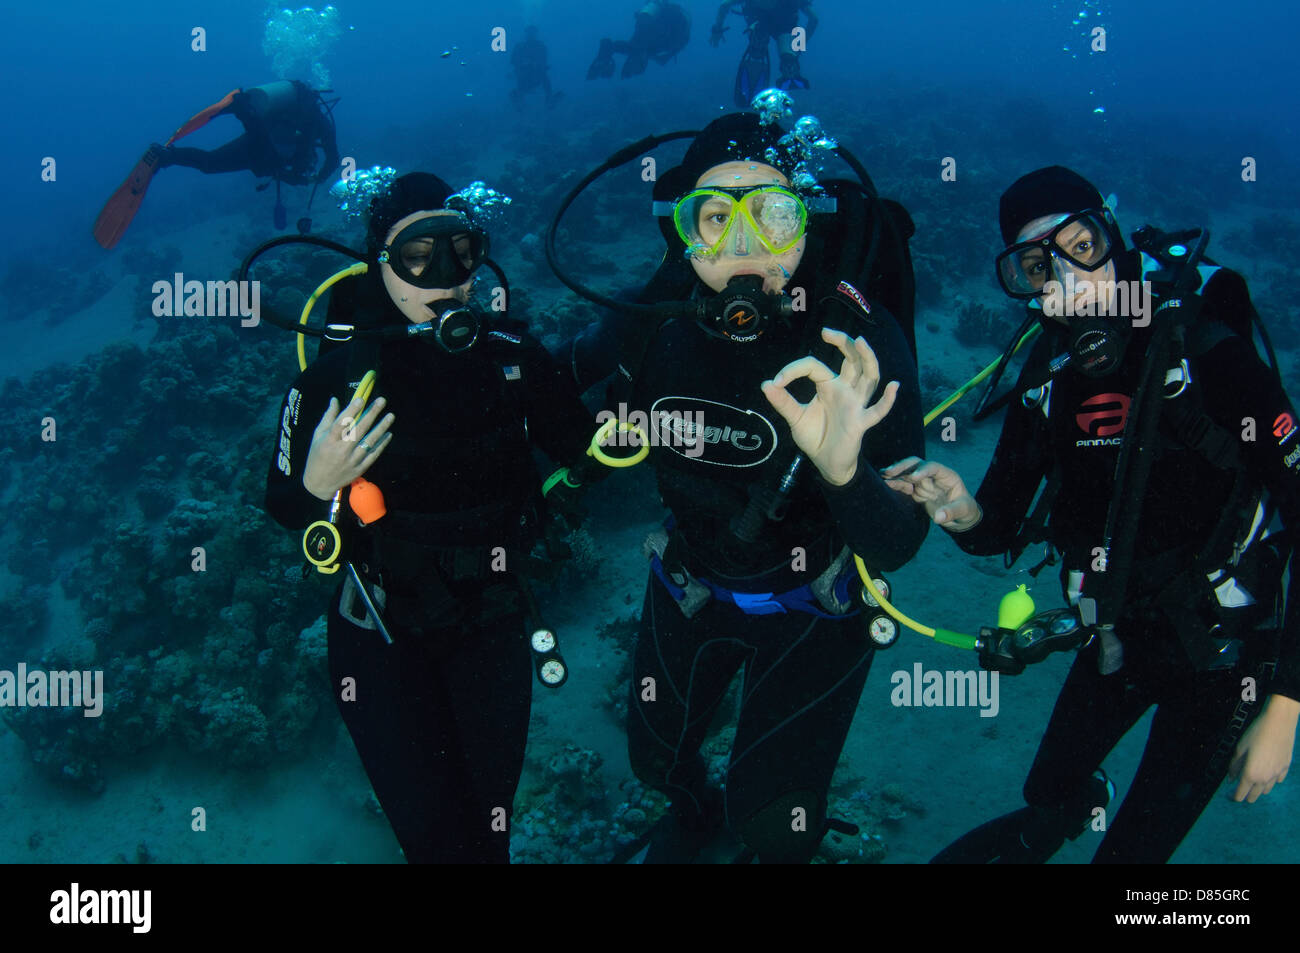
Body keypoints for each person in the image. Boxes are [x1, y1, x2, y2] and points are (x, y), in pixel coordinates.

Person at [881, 166, 1299, 863]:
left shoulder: (1204, 347)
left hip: (1224, 650)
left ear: (1111, 226)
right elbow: (1000, 528)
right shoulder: (1049, 375)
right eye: (1038, 265)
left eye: (1081, 243)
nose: (1070, 277)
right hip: (1115, 634)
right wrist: (957, 507)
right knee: (1048, 792)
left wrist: (1285, 706)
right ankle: (1082, 804)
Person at [555, 112, 927, 862]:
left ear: (807, 226)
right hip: (690, 582)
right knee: (656, 765)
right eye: (716, 217)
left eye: (774, 214)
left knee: (777, 828)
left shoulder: (858, 341)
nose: (745, 246)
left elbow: (898, 542)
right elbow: (552, 391)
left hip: (816, 602)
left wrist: (844, 471)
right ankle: (695, 822)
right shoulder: (650, 326)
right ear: (684, 231)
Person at [263, 172, 599, 863]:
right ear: (377, 262)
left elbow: (584, 445)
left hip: (493, 621)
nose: (444, 275)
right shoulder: (331, 381)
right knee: (433, 841)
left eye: (461, 250)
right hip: (379, 634)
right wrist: (316, 481)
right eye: (418, 254)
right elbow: (283, 507)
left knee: (490, 833)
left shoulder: (512, 357)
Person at [93, 79, 340, 247]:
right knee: (230, 156)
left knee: (210, 162)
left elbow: (327, 159)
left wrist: (303, 176)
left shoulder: (298, 116)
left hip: (256, 147)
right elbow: (333, 159)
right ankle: (242, 109)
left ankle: (166, 155)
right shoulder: (319, 123)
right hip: (265, 154)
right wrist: (315, 178)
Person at [710, 0, 818, 107]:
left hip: (765, 21)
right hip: (782, 21)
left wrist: (717, 29)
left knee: (759, 44)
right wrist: (799, 46)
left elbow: (724, 5)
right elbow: (813, 19)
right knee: (788, 57)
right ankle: (790, 72)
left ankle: (758, 80)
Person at [587, 1, 691, 80]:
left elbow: (641, 32)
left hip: (645, 31)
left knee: (633, 48)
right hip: (653, 37)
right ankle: (617, 54)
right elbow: (676, 45)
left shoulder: (668, 17)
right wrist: (664, 57)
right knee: (638, 52)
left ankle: (608, 48)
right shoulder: (679, 29)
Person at [511, 26, 561, 109]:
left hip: (536, 75)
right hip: (524, 76)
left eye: (532, 33)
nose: (531, 35)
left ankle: (549, 99)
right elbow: (514, 62)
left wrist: (536, 65)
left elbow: (544, 62)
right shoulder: (520, 47)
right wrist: (524, 64)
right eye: (529, 33)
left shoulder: (541, 46)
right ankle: (520, 101)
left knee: (544, 76)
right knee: (521, 77)